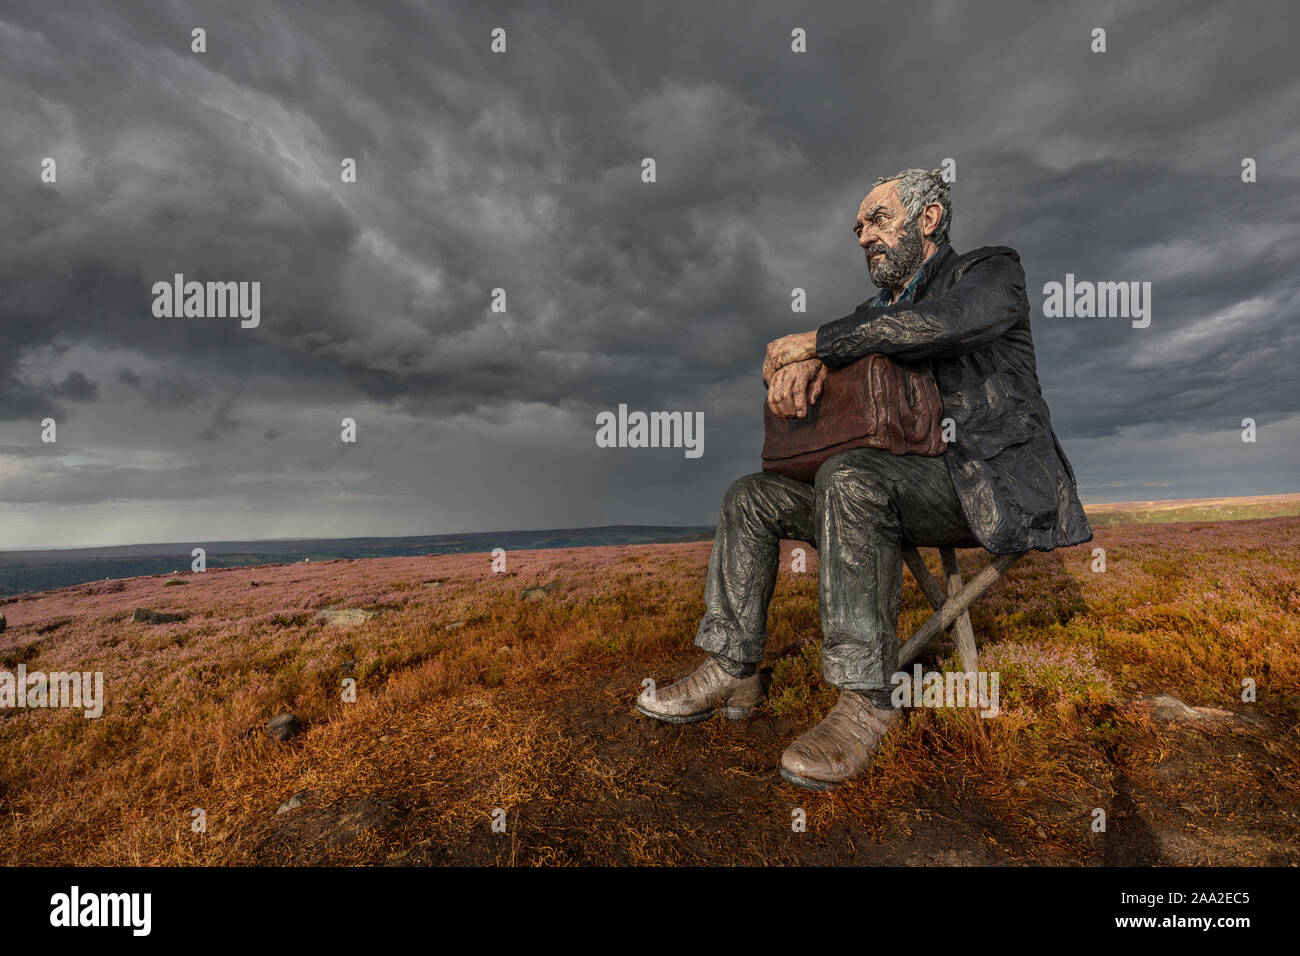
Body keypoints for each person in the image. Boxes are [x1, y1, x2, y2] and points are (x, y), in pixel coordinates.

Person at [636, 168, 1092, 790]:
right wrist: (804, 366)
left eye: (877, 219)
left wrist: (817, 342)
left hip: (988, 483)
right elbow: (843, 359)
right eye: (857, 228)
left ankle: (866, 701)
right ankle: (731, 668)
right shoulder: (868, 315)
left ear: (928, 219)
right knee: (750, 496)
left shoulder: (989, 272)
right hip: (895, 481)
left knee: (850, 478)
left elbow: (942, 324)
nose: (863, 236)